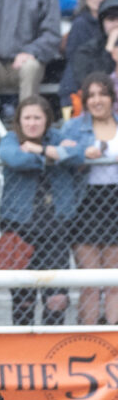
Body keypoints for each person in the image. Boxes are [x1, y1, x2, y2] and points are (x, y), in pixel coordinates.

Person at [0, 96, 82, 324]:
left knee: (57, 298)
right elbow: (14, 159)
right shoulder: (10, 138)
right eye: (27, 118)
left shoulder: (57, 138)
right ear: (19, 120)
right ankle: (23, 352)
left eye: (37, 117)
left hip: (56, 227)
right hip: (18, 226)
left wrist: (39, 149)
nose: (32, 123)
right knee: (23, 298)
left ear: (47, 120)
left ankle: (51, 352)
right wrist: (52, 156)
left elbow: (78, 154)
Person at [63, 73, 118, 324]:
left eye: (102, 94)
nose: (97, 100)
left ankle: (113, 346)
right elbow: (59, 153)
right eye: (92, 95)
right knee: (90, 281)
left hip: (114, 200)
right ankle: (89, 340)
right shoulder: (74, 126)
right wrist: (80, 154)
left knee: (114, 281)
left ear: (111, 97)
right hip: (85, 202)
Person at [62, 0, 118, 110]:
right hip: (99, 105)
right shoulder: (87, 50)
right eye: (111, 19)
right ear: (102, 23)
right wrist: (109, 49)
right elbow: (91, 83)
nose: (116, 24)